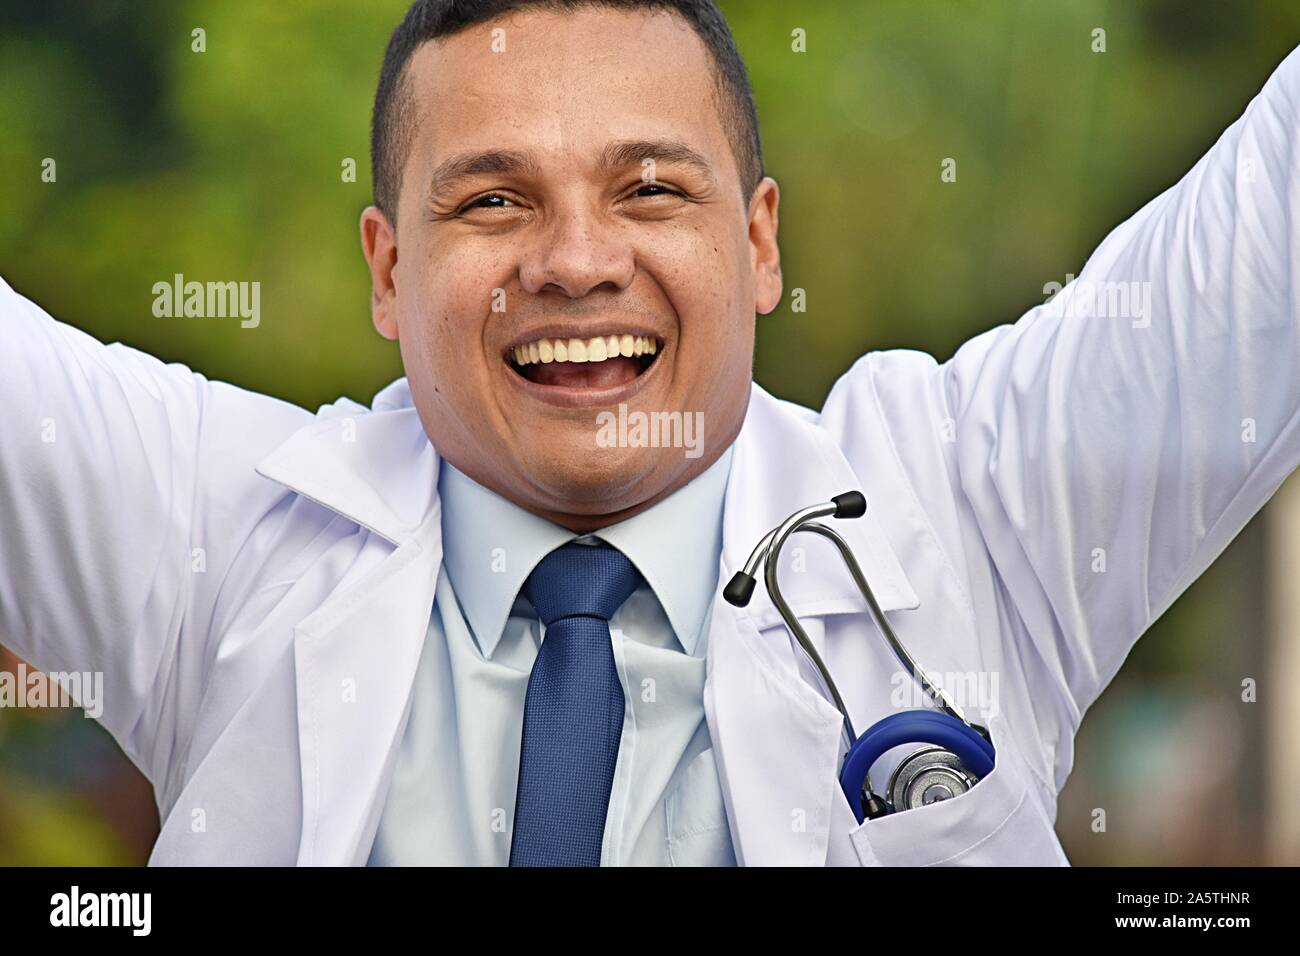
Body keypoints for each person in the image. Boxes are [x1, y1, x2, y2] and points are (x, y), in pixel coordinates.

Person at [2, 0, 1298, 866]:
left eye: (651, 189)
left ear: (758, 241)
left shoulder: (975, 511)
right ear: (389, 272)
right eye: (495, 199)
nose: (575, 260)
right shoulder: (216, 539)